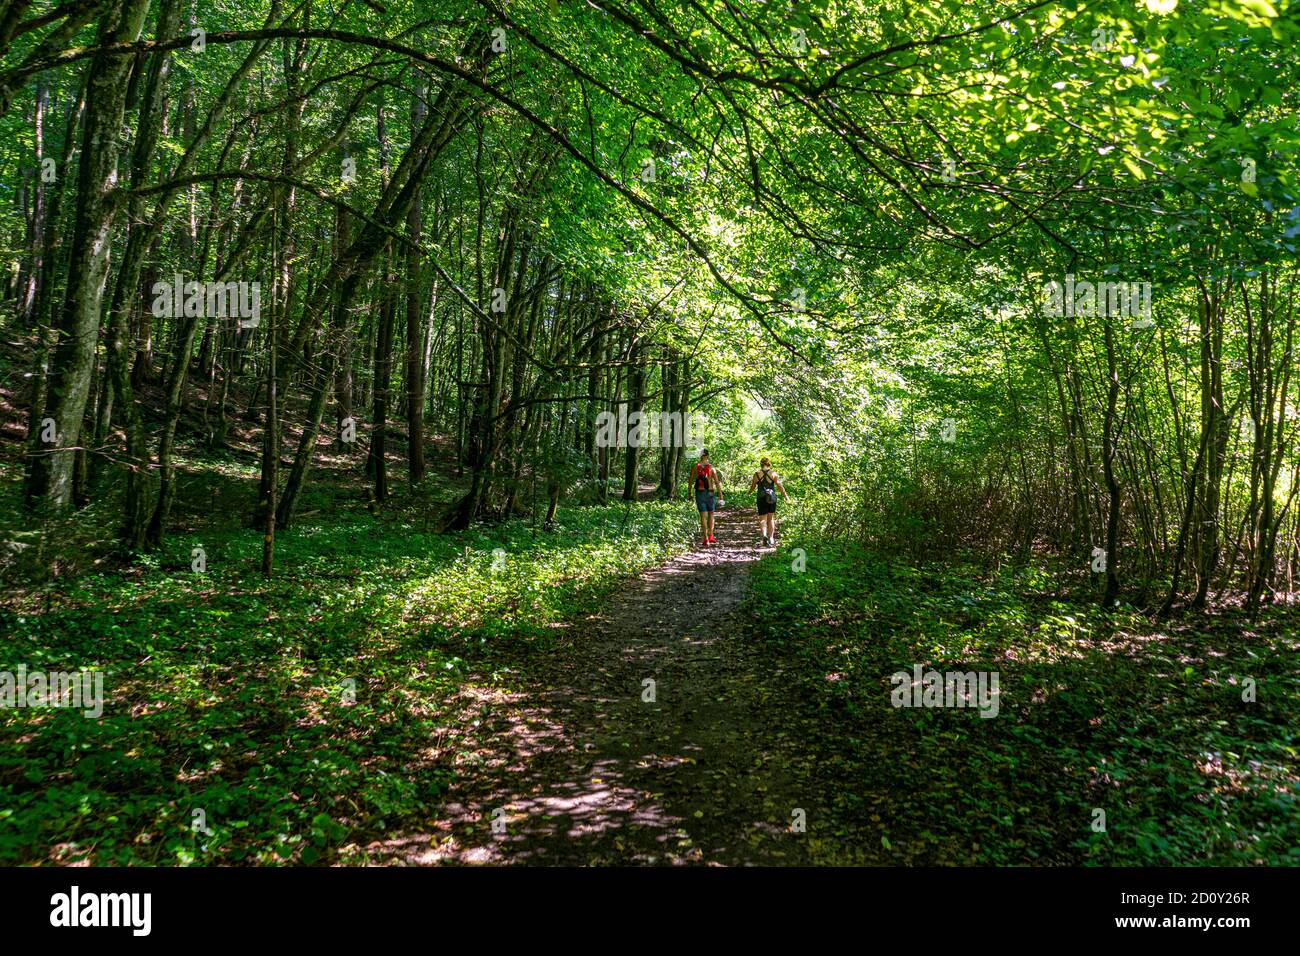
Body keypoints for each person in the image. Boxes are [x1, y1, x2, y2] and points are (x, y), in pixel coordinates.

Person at [748, 457, 789, 546]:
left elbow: (753, 486)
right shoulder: (773, 474)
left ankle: (764, 535)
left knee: (762, 518)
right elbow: (779, 485)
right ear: (769, 464)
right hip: (771, 498)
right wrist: (786, 497)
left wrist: (749, 493)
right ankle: (771, 538)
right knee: (770, 518)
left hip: (761, 498)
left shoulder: (756, 474)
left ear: (761, 464)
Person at [689, 449, 723, 547]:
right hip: (710, 494)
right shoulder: (712, 468)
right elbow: (716, 482)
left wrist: (689, 493)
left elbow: (690, 481)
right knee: (711, 514)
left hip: (699, 494)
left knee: (703, 516)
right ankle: (711, 535)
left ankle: (705, 539)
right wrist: (720, 495)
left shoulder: (695, 467)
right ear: (707, 456)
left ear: (700, 456)